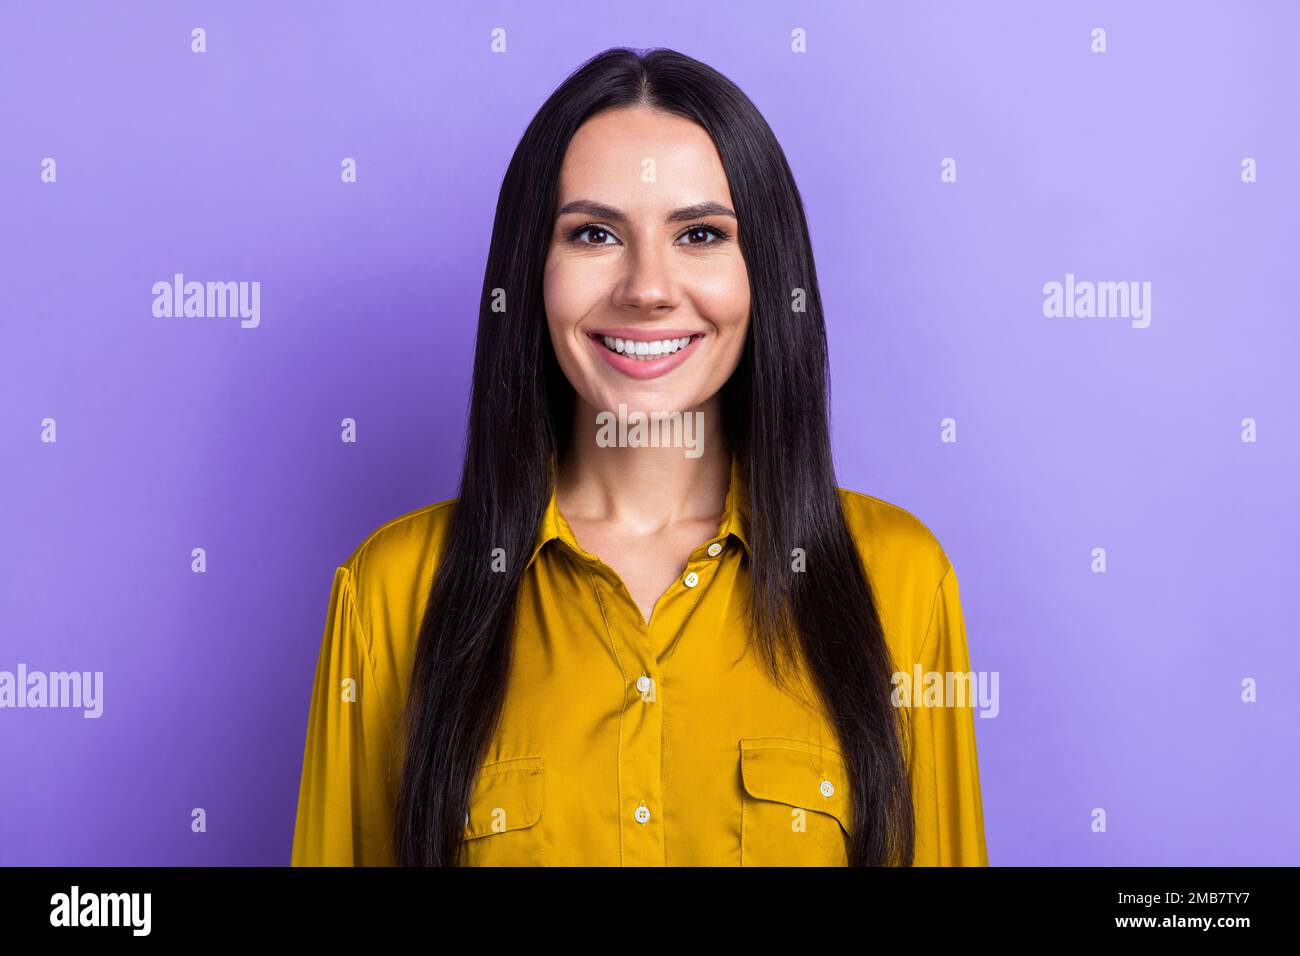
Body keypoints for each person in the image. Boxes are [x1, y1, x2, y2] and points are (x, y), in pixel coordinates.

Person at [291, 46, 988, 867]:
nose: (648, 288)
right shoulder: (389, 595)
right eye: (593, 233)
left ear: (765, 273)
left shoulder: (901, 582)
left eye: (700, 234)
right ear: (532, 274)